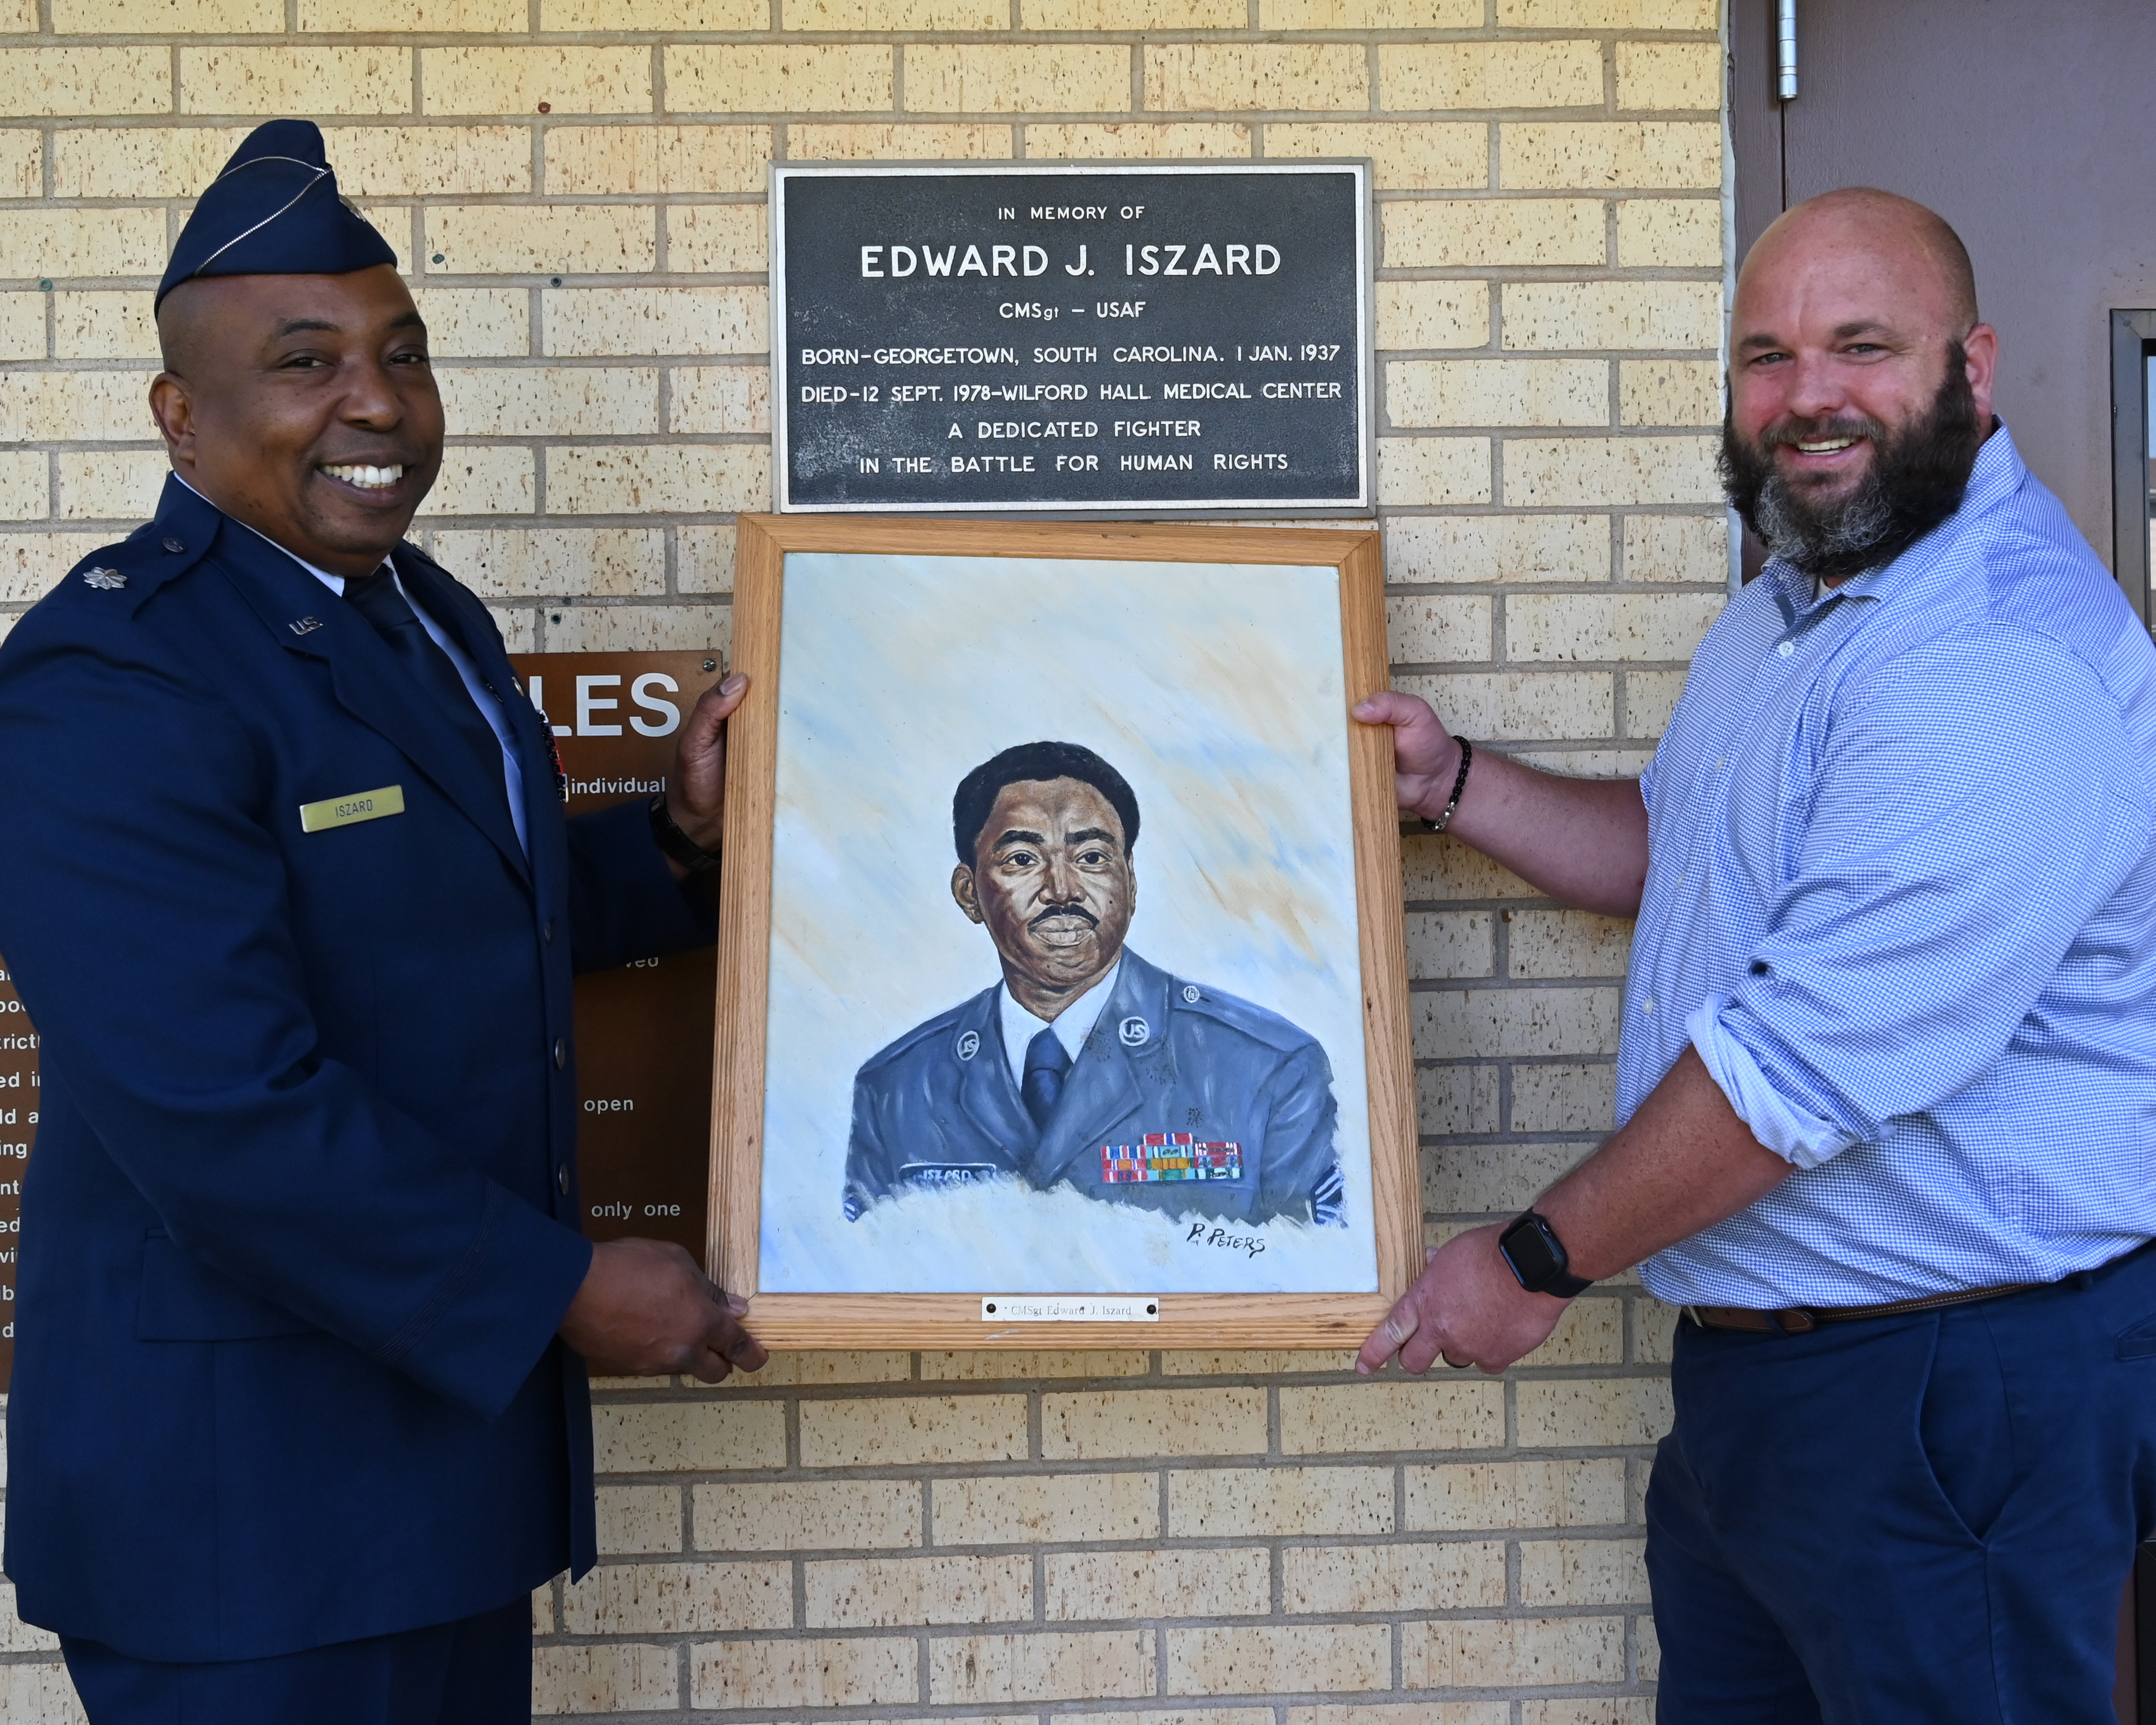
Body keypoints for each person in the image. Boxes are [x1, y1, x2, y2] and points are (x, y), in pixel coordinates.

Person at [1355, 186, 2156, 1721]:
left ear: (1973, 370)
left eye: (1862, 346)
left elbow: (1798, 1064)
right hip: (1776, 1392)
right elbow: (1686, 855)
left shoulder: (1993, 660)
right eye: (1766, 355)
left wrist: (1533, 1262)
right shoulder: (1796, 606)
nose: (1807, 396)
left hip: (1951, 1398)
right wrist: (1454, 784)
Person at [0, 120, 765, 1724]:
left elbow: (445, 923)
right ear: (179, 419)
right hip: (242, 1522)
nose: (375, 404)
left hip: (432, 1488)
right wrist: (561, 1291)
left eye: (400, 355)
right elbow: (218, 1108)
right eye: (304, 362)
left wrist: (678, 841)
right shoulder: (113, 681)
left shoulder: (418, 617)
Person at [844, 739, 1343, 1227]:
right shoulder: (896, 1089)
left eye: (1092, 859)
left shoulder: (1268, 1071)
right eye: (1022, 859)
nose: (1062, 890)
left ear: (1130, 885)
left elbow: (1313, 1286)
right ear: (969, 893)